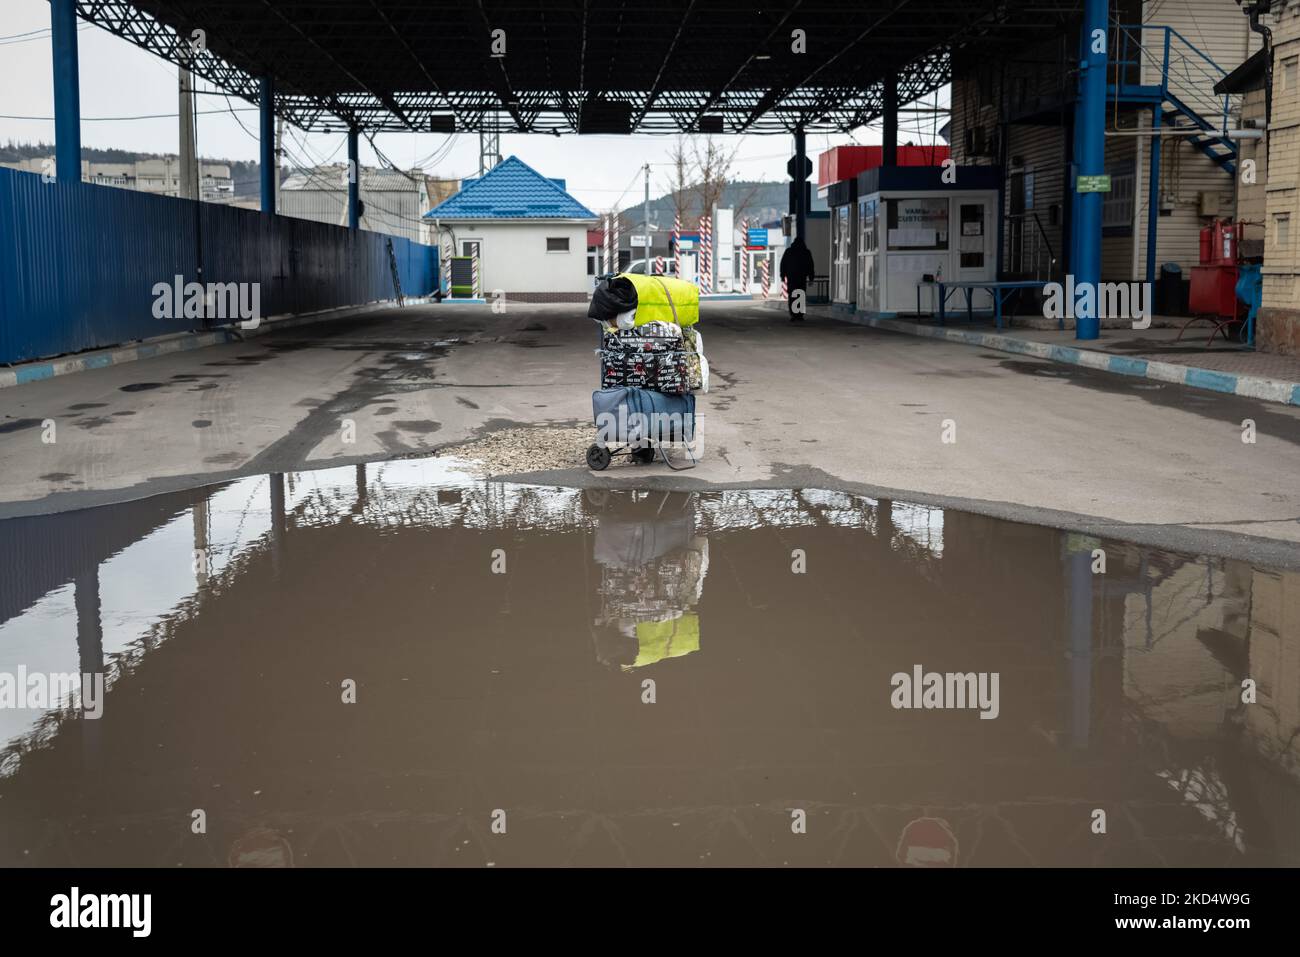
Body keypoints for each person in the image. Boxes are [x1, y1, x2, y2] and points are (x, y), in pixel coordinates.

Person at [779, 237, 815, 321]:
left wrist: (782, 276)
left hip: (791, 278)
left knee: (792, 296)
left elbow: (783, 264)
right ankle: (800, 315)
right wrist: (811, 278)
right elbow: (810, 265)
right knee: (801, 295)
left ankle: (793, 315)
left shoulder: (789, 251)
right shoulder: (806, 252)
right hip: (802, 278)